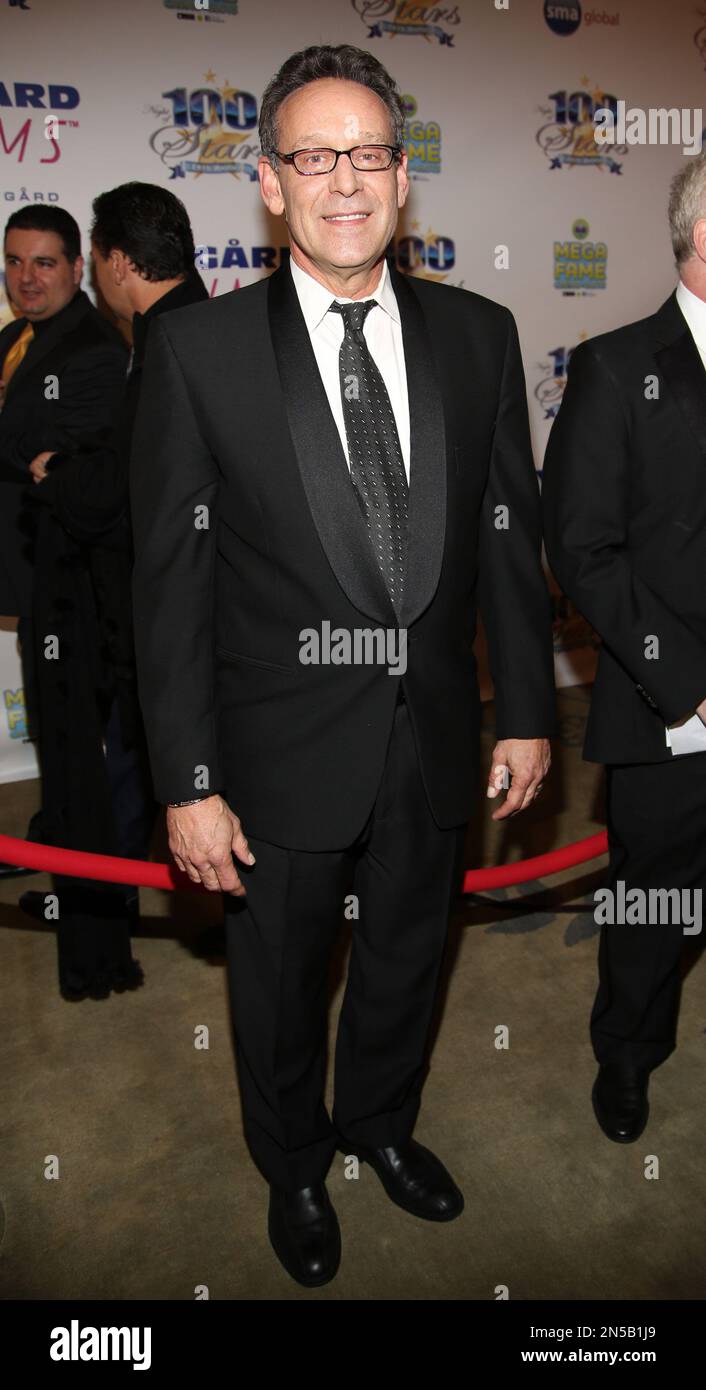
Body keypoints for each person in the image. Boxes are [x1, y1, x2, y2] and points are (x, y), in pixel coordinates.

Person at [131, 43, 555, 1286]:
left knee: (409, 958)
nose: (346, 182)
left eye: (369, 153)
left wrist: (525, 710)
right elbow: (168, 588)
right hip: (270, 758)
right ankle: (297, 1165)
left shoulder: (484, 336)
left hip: (432, 739)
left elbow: (506, 540)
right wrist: (189, 778)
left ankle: (378, 1126)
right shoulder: (198, 356)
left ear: (403, 176)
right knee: (274, 992)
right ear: (268, 181)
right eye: (314, 157)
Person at [542, 150, 706, 1144]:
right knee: (651, 906)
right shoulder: (616, 366)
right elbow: (582, 549)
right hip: (671, 704)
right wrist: (688, 691)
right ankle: (630, 1054)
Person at [21, 185, 208, 1000]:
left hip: (170, 612)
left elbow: (122, 489)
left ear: (117, 260)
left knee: (172, 772)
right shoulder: (173, 332)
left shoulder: (168, 345)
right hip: (160, 610)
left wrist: (56, 471)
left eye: (85, 255)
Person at [0, 205, 127, 876]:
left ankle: (86, 870)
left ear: (79, 269)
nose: (26, 277)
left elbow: (77, 463)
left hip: (75, 582)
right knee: (55, 727)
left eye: (43, 263)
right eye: (14, 262)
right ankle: (56, 835)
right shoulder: (17, 339)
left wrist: (24, 450)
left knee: (77, 734)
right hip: (33, 573)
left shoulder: (95, 350)